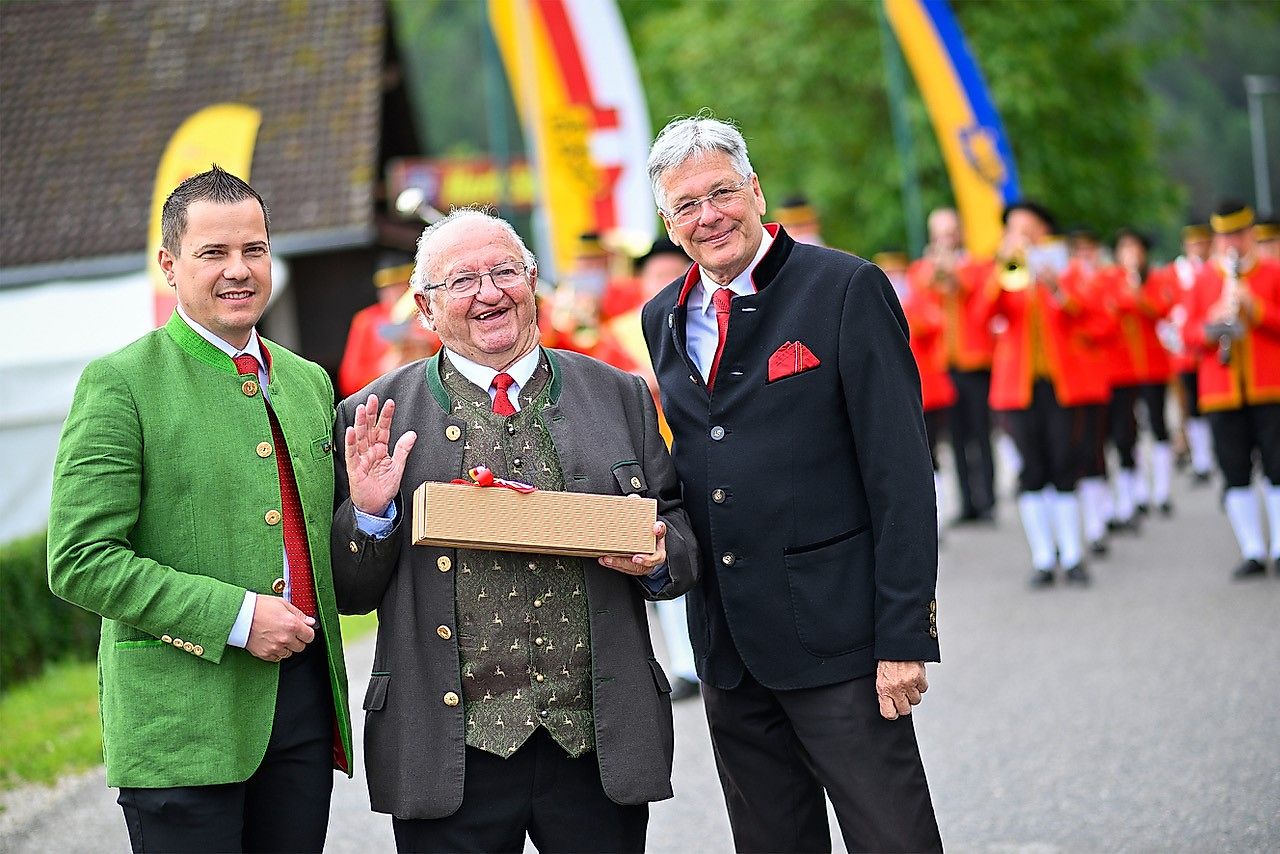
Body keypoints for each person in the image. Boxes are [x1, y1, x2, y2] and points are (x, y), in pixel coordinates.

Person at [329, 208, 700, 853]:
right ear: (425, 305)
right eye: (463, 281)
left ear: (533, 281)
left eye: (504, 272)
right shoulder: (371, 416)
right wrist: (368, 511)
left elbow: (680, 539)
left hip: (594, 743)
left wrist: (660, 554)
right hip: (449, 750)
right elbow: (350, 590)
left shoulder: (618, 394)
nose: (489, 294)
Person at [641, 116, 941, 853]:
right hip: (730, 655)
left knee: (894, 839)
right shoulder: (661, 318)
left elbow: (901, 475)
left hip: (843, 641)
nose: (708, 216)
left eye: (721, 192)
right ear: (668, 222)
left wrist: (904, 638)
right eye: (686, 205)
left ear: (755, 189)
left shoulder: (845, 287)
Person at [46, 166, 352, 852]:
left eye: (255, 249)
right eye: (214, 253)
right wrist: (239, 619)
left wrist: (371, 513)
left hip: (301, 707)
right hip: (180, 721)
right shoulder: (120, 383)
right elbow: (80, 562)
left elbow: (321, 536)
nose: (238, 270)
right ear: (169, 265)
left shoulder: (307, 382)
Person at [975, 201, 1103, 586]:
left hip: (1060, 385)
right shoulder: (1000, 268)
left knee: (1065, 465)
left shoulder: (1066, 266)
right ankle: (1044, 558)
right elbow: (982, 317)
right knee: (1030, 470)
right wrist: (1001, 270)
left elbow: (1089, 316)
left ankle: (1074, 555)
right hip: (1017, 389)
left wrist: (1056, 287)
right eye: (1015, 228)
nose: (1022, 235)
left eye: (1027, 227)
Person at [1185, 201, 1280, 578]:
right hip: (1220, 390)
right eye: (1224, 236)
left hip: (1269, 388)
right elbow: (1189, 336)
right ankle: (1253, 549)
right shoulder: (1205, 281)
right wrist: (1211, 321)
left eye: (1238, 235)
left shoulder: (1271, 273)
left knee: (1277, 467)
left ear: (1251, 234)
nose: (1232, 243)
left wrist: (1253, 307)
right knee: (1235, 469)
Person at [908, 207, 998, 524]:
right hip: (942, 366)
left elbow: (973, 291)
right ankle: (967, 503)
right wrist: (936, 268)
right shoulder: (923, 268)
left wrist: (951, 269)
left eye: (949, 232)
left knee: (981, 433)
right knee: (956, 438)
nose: (945, 239)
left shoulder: (975, 265)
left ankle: (988, 500)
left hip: (974, 363)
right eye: (939, 233)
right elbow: (917, 294)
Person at [1167, 223, 1215, 483]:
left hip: (1212, 348)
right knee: (1191, 406)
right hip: (1186, 351)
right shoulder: (1176, 273)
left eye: (1202, 243)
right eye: (1193, 243)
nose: (1198, 248)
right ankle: (1201, 458)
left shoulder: (1216, 270)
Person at [338, 253, 413, 397]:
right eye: (389, 286)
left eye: (401, 284)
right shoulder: (365, 320)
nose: (395, 291)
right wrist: (381, 368)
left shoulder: (428, 316)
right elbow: (349, 382)